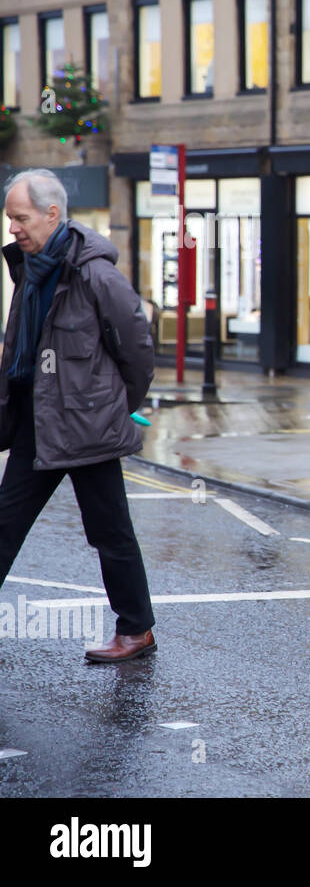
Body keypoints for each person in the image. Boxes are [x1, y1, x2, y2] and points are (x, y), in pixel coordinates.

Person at [0, 169, 157, 662]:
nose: (12, 229)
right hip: (37, 420)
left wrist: (115, 407)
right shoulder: (28, 267)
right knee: (5, 522)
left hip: (87, 426)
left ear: (52, 214)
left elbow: (137, 348)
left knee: (110, 531)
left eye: (20, 218)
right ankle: (136, 628)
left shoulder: (95, 273)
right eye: (9, 219)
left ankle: (136, 631)